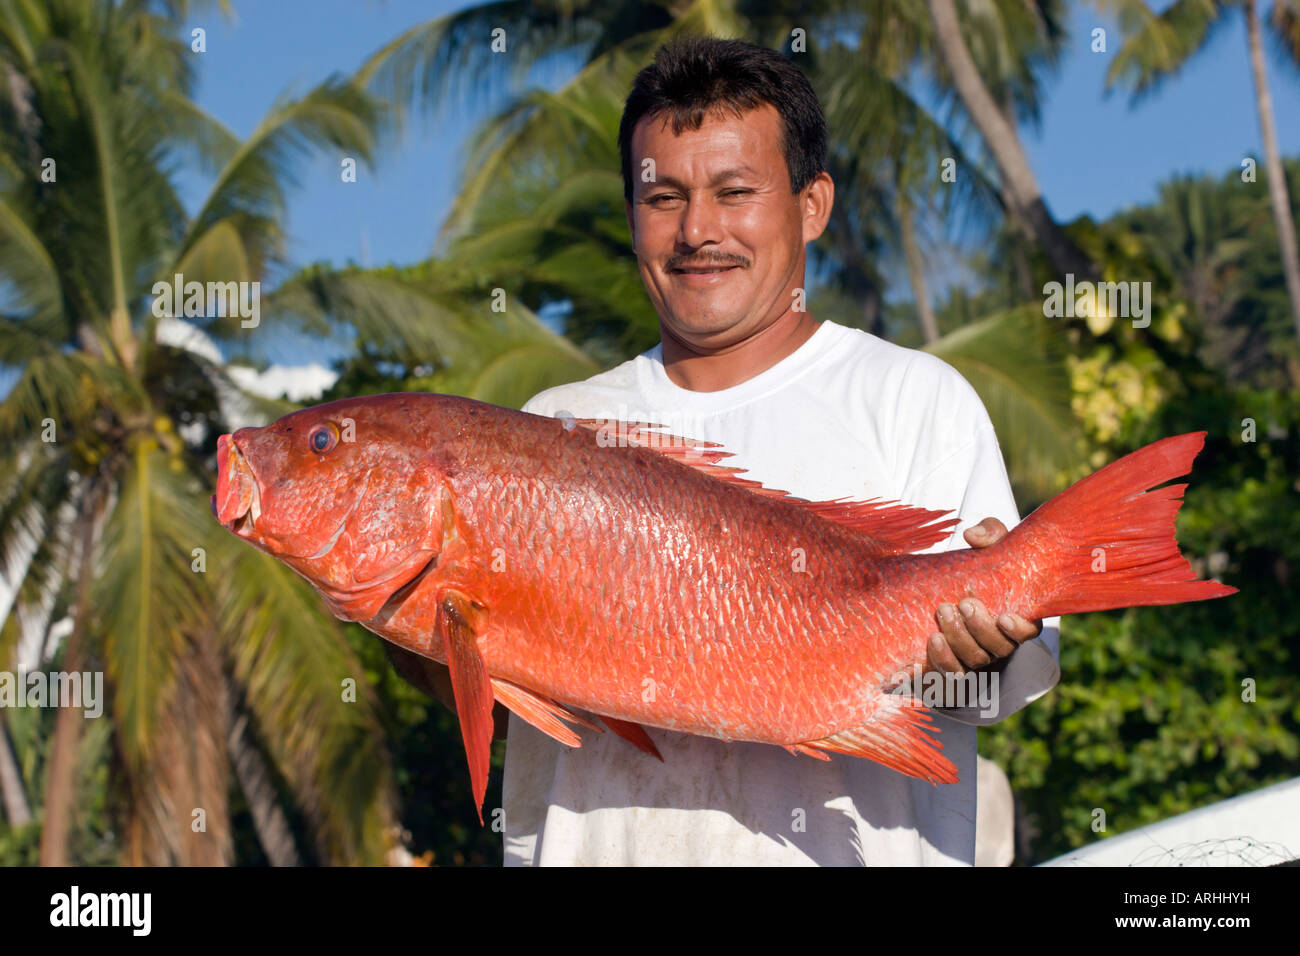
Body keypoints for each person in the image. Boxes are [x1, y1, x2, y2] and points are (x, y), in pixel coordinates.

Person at [402, 34, 1061, 865]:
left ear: (813, 205)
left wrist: (986, 646)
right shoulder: (555, 422)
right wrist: (387, 599)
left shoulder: (915, 401)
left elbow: (991, 692)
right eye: (663, 196)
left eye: (736, 190)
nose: (697, 230)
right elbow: (482, 696)